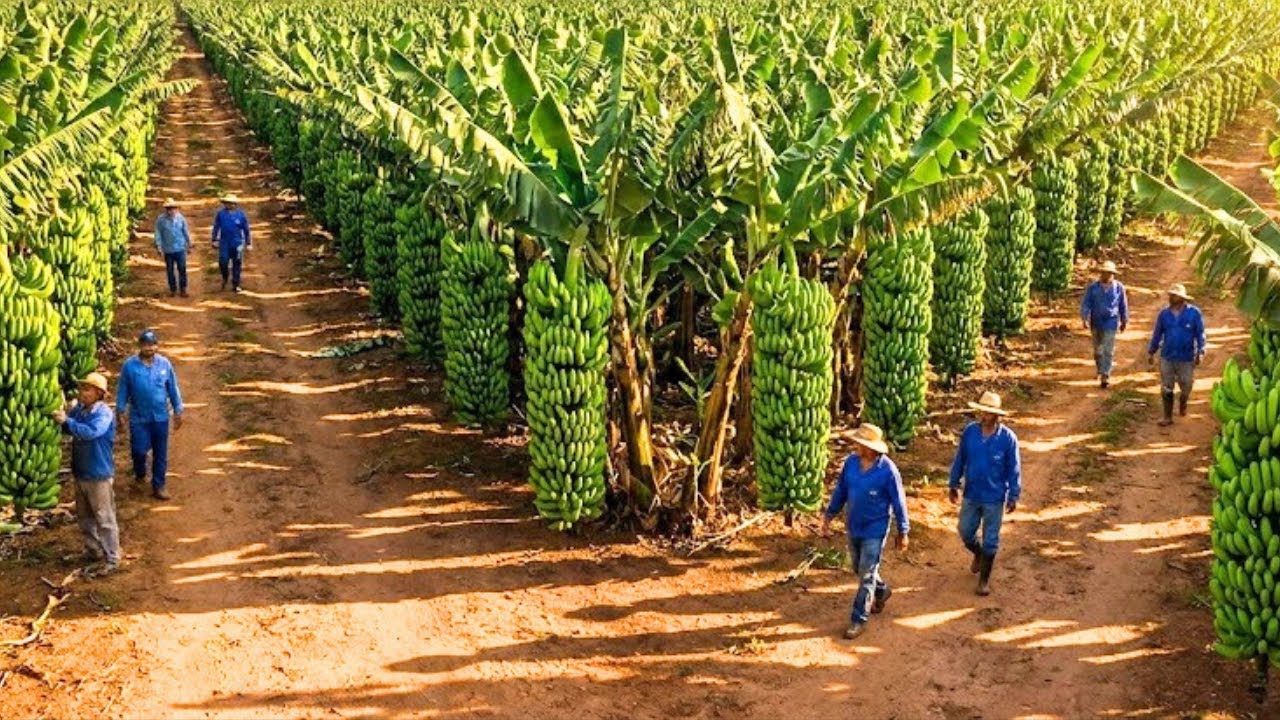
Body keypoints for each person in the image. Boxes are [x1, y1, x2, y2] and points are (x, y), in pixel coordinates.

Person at [820, 424, 909, 641]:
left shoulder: (887, 470)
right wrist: (829, 516)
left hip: (875, 529)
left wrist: (903, 530)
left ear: (871, 448)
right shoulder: (851, 464)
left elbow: (899, 502)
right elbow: (841, 490)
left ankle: (858, 619)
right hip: (853, 525)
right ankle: (882, 590)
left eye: (860, 443)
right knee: (858, 568)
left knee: (866, 573)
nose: (855, 445)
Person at [949, 391, 1021, 597]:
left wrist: (1014, 494)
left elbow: (1013, 468)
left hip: (994, 497)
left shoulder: (1008, 439)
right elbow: (960, 459)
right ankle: (978, 553)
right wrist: (953, 483)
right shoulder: (970, 432)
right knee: (965, 530)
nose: (984, 416)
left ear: (997, 415)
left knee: (991, 539)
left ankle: (984, 581)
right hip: (972, 493)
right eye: (982, 411)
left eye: (989, 413)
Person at [52, 373, 119, 577]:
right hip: (81, 472)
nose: (83, 393)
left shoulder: (104, 413)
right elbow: (69, 428)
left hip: (99, 473)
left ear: (99, 394)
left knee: (104, 517)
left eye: (87, 389)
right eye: (82, 389)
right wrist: (62, 420)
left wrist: (68, 422)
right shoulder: (80, 411)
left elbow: (91, 432)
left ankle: (113, 557)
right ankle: (93, 550)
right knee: (85, 518)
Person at [117, 329, 184, 500]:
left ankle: (159, 485)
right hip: (139, 417)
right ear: (140, 346)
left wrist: (178, 410)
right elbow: (123, 389)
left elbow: (173, 388)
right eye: (146, 345)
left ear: (157, 346)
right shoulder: (130, 366)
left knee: (160, 453)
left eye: (153, 345)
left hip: (160, 417)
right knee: (139, 450)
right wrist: (120, 410)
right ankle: (140, 473)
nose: (150, 348)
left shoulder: (164, 364)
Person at [1148, 283, 1207, 426]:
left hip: (1186, 357)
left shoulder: (1194, 313)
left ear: (1181, 298)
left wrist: (1201, 350)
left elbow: (1200, 333)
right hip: (1167, 355)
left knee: (1186, 384)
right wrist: (1152, 351)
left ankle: (1183, 401)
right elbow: (1157, 333)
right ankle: (1167, 416)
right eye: (1170, 295)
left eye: (1174, 295)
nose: (1171, 297)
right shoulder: (1164, 314)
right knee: (1166, 386)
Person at [1080, 260, 1128, 389]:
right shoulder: (1093, 288)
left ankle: (1105, 375)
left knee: (1108, 350)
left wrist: (1124, 320)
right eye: (1105, 273)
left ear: (1113, 274)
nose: (1107, 275)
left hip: (1111, 322)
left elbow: (1123, 305)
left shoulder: (1118, 288)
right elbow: (1086, 303)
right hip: (1096, 322)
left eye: (1110, 273)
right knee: (1098, 351)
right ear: (1101, 273)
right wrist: (1084, 317)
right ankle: (1100, 368)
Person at [211, 193, 251, 292]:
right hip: (224, 242)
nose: (230, 205)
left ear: (235, 204)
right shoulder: (221, 214)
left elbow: (246, 230)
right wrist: (214, 239)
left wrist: (248, 242)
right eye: (228, 203)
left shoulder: (241, 215)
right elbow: (216, 227)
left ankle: (236, 284)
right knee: (223, 262)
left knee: (237, 263)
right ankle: (225, 276)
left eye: (232, 203)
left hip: (237, 243)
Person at [155, 198, 192, 297]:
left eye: (173, 208)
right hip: (168, 249)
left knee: (182, 269)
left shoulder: (181, 218)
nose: (171, 210)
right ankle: (173, 289)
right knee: (170, 270)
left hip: (180, 248)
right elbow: (158, 233)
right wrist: (158, 246)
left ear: (177, 208)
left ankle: (183, 289)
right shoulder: (161, 220)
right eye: (169, 208)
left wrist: (189, 244)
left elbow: (185, 231)